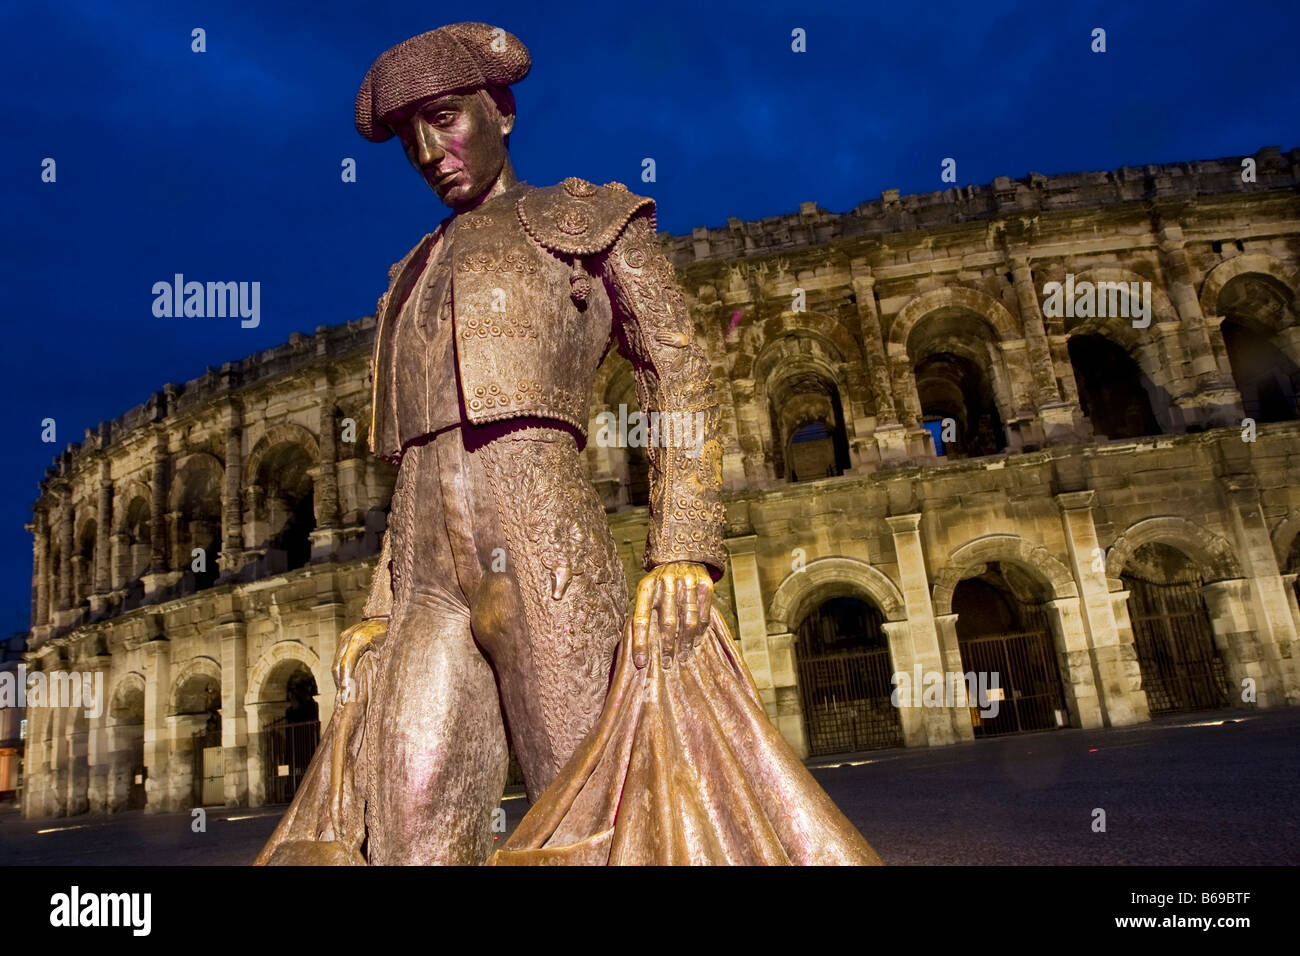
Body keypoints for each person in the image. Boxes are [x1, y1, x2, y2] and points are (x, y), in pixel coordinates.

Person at [257, 21, 726, 865]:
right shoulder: (407, 277)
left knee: (588, 814)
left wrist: (682, 542)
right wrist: (377, 605)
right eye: (410, 138)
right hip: (429, 580)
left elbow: (680, 369)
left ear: (500, 110)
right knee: (404, 825)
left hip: (544, 541)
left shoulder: (587, 219)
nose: (431, 150)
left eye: (444, 118)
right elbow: (414, 468)